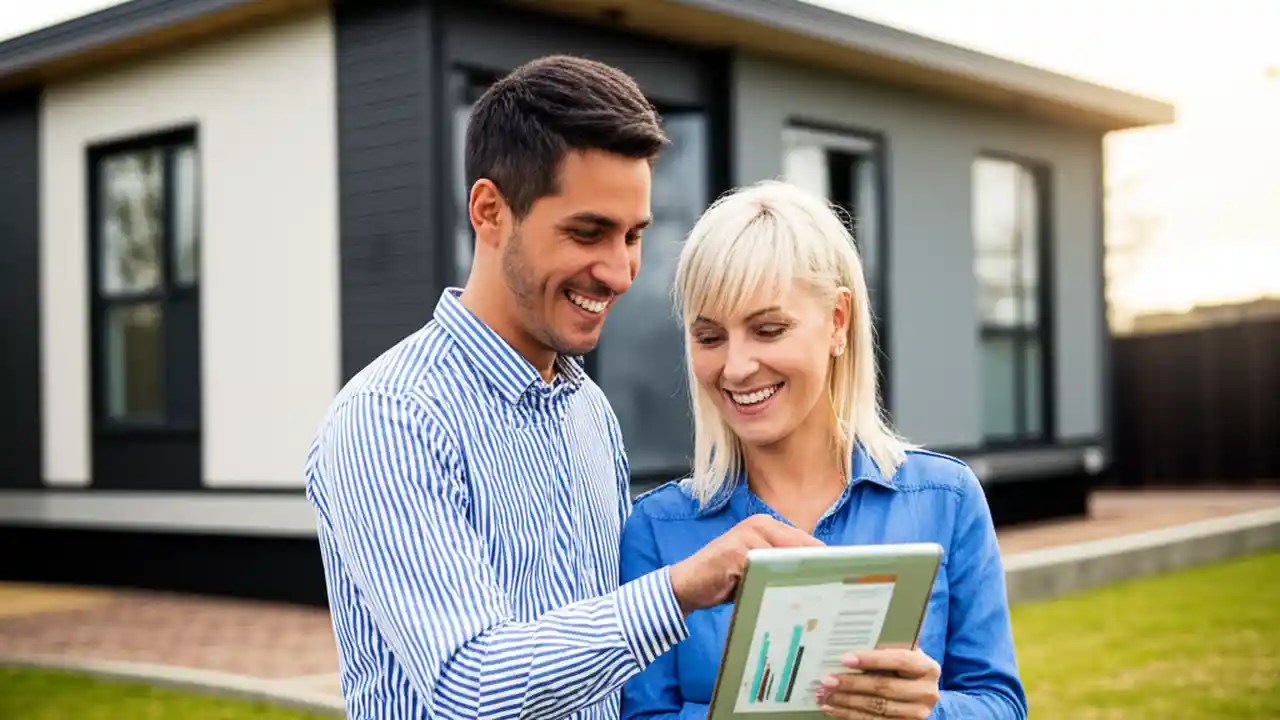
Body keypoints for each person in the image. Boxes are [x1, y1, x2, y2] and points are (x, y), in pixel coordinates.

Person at [304, 57, 820, 719]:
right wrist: (681, 588)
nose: (620, 272)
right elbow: (470, 686)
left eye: (633, 236)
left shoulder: (588, 411)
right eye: (587, 232)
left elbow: (611, 671)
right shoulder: (391, 418)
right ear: (490, 212)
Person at [619, 181, 1029, 719]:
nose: (735, 368)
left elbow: (1001, 704)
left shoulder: (946, 500)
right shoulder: (656, 529)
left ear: (838, 321)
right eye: (710, 337)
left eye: (769, 330)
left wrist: (929, 713)